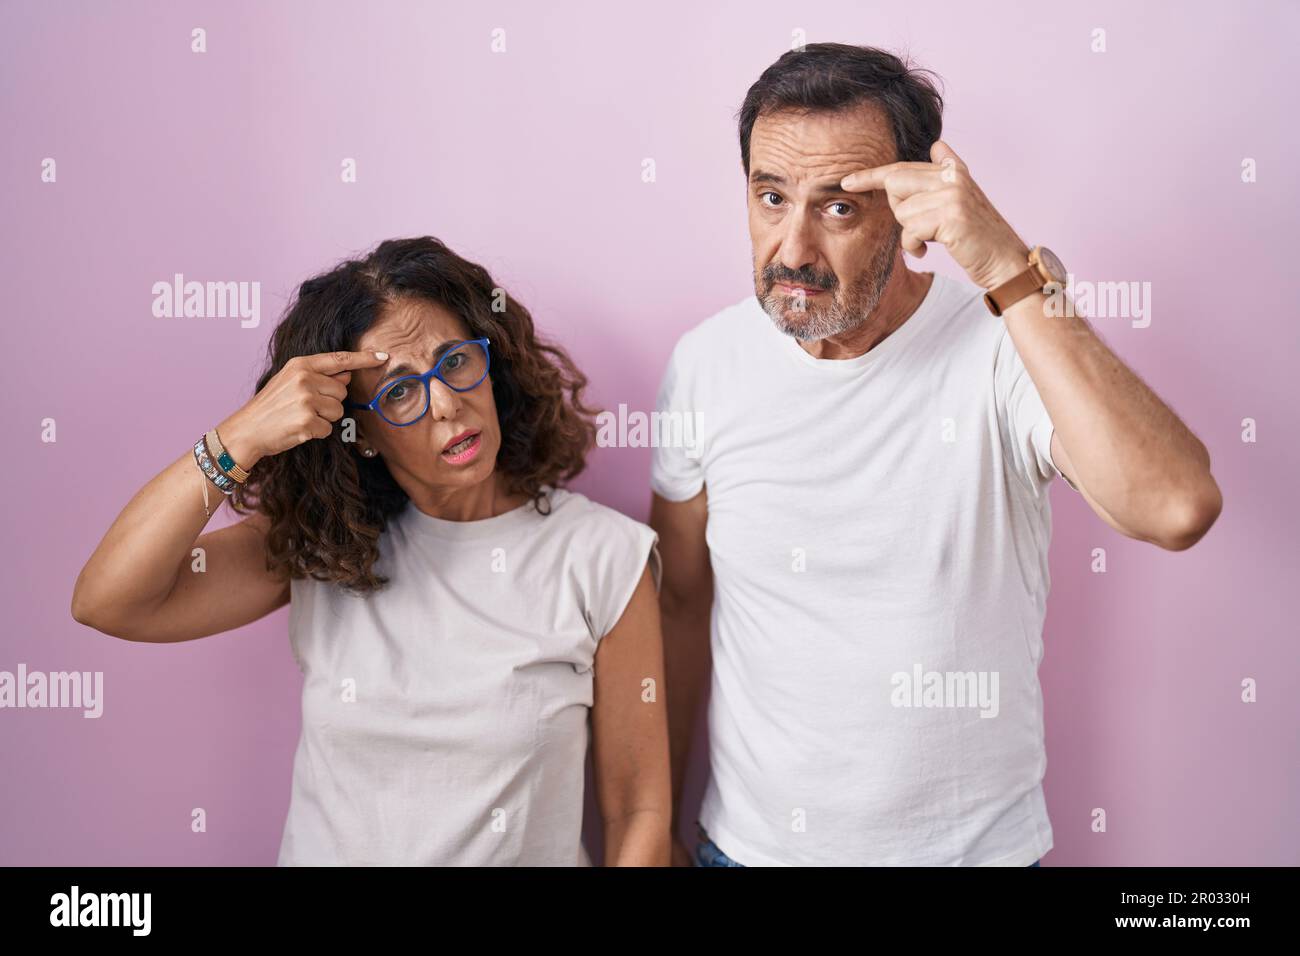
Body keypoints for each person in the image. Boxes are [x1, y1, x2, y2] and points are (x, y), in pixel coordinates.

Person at [650, 44, 1222, 867]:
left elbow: (1177, 507)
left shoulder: (1003, 346)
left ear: (912, 206)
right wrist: (657, 824)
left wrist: (1006, 269)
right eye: (770, 198)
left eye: (840, 208)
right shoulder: (704, 364)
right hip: (744, 854)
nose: (793, 250)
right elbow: (679, 604)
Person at [72, 236, 671, 866]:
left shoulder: (604, 557)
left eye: (456, 362)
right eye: (400, 392)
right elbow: (107, 601)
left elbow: (639, 812)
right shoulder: (321, 548)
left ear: (494, 364)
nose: (446, 404)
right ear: (358, 432)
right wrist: (241, 435)